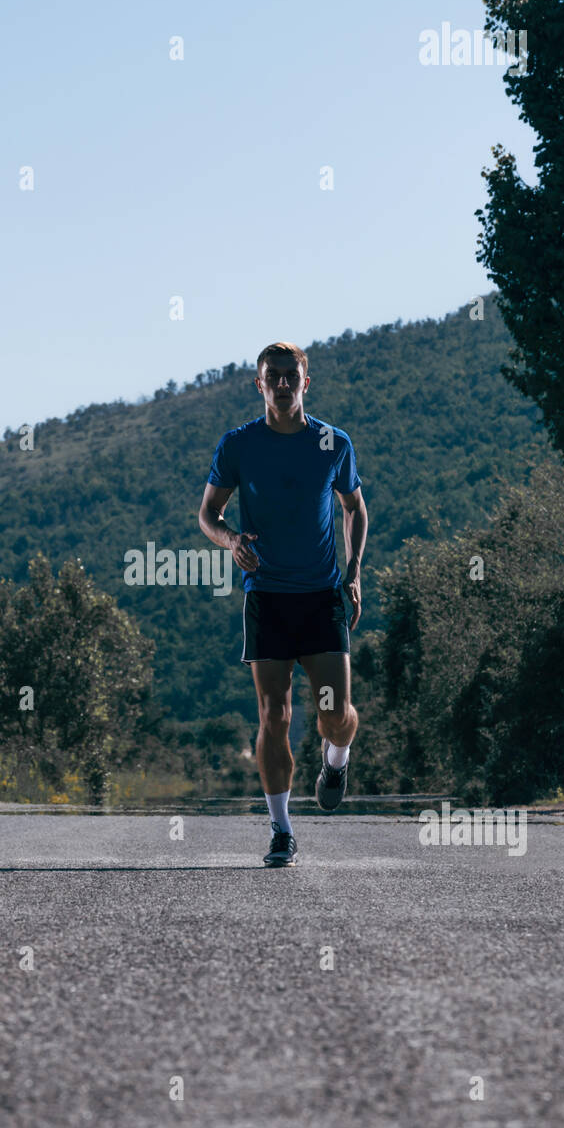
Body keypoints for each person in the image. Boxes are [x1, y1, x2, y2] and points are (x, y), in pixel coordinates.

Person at [198, 341, 367, 867]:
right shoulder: (239, 445)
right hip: (266, 595)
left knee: (334, 713)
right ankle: (281, 829)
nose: (283, 383)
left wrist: (354, 572)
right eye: (273, 376)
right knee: (274, 713)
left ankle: (334, 762)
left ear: (305, 382)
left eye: (292, 375)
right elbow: (208, 514)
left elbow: (354, 509)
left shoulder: (332, 443)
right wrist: (229, 541)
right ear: (260, 384)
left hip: (321, 596)